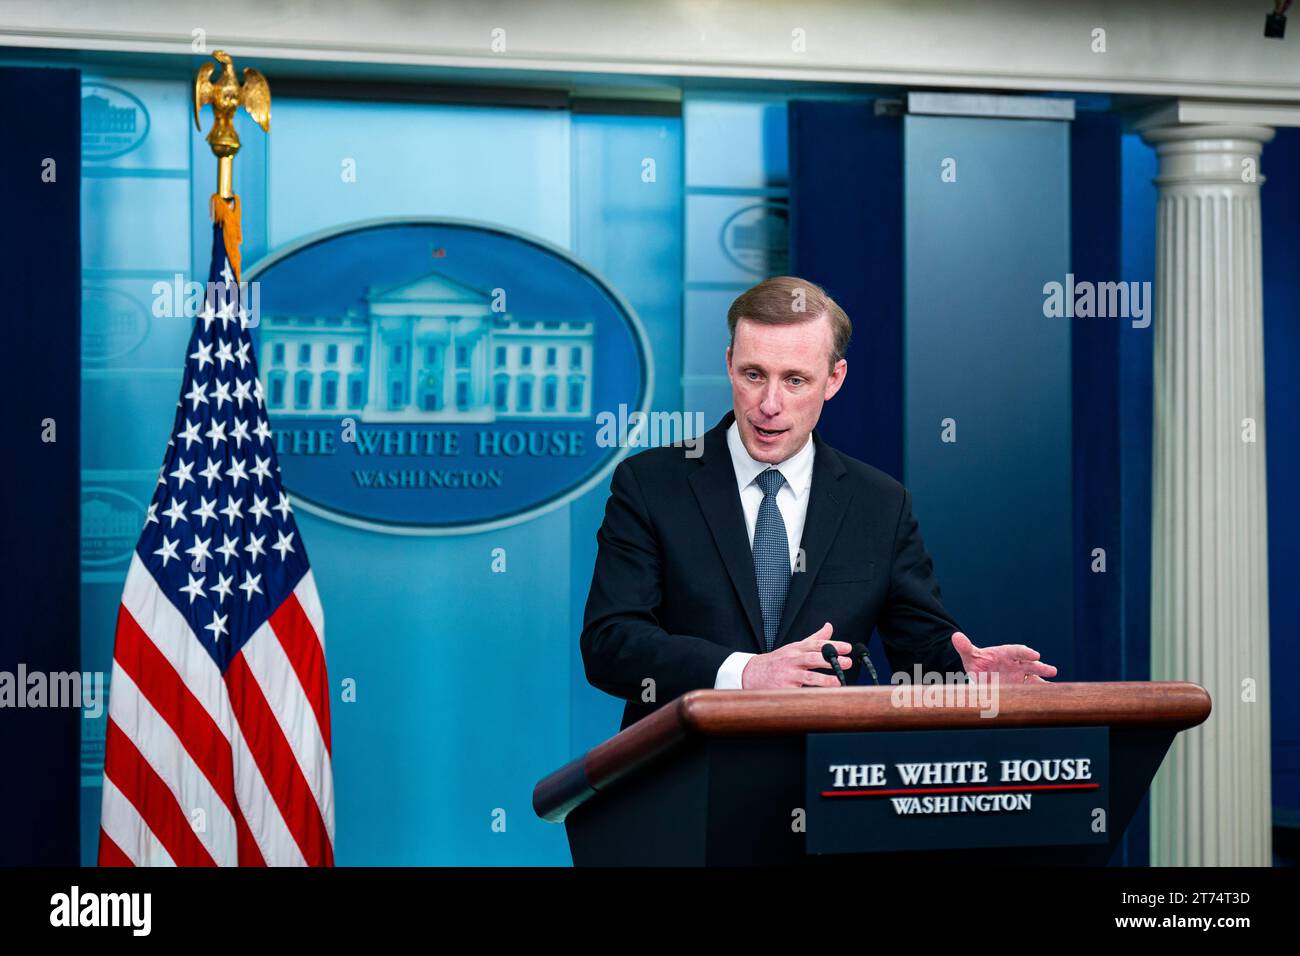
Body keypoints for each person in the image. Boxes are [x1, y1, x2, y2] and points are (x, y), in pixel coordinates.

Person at [581, 276, 1056, 729]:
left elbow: (920, 655)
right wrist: (746, 673)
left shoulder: (879, 504)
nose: (769, 403)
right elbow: (611, 644)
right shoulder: (651, 484)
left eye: (795, 380)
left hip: (821, 787)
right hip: (678, 785)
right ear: (729, 364)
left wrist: (962, 679)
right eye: (753, 374)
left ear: (834, 379)